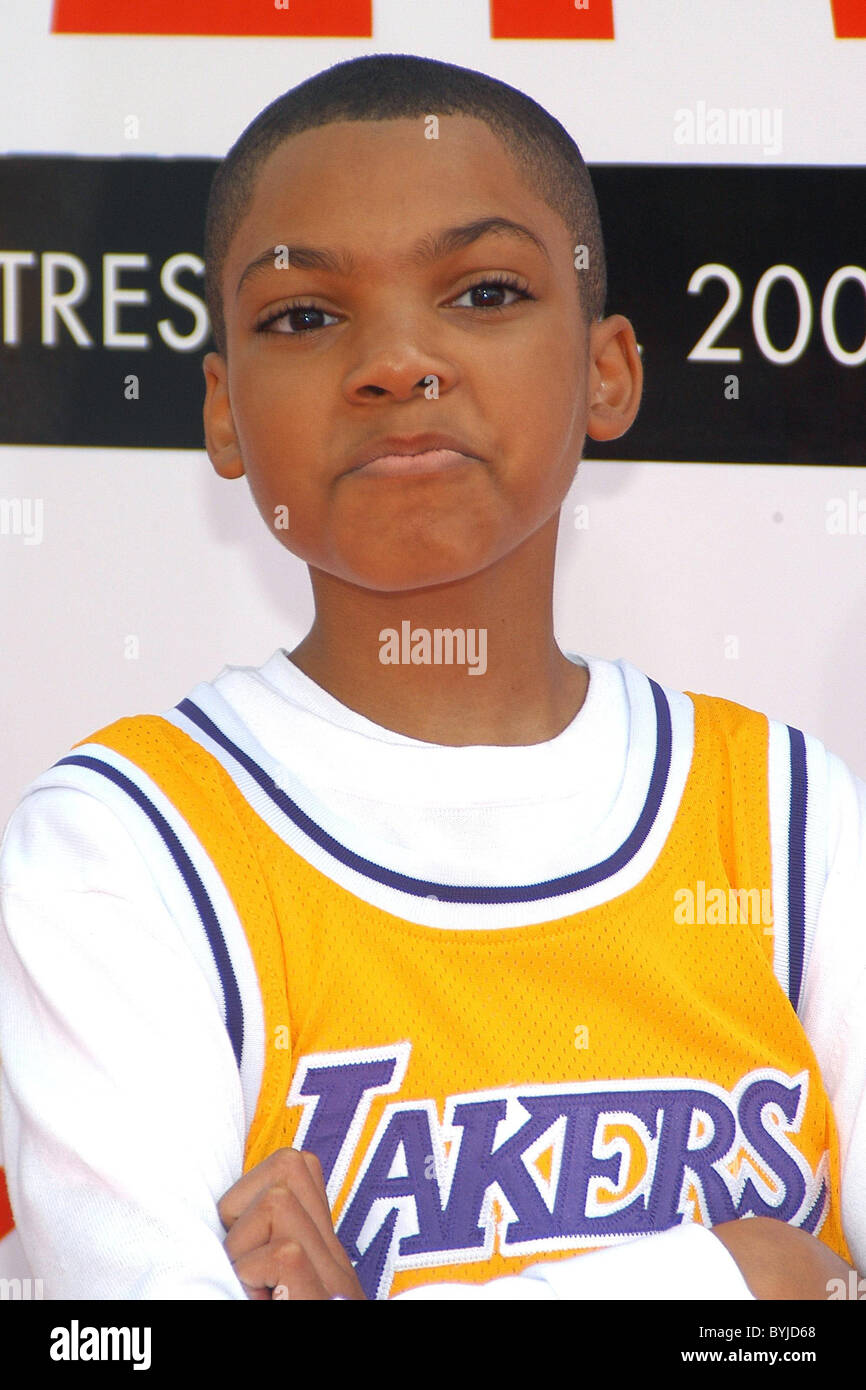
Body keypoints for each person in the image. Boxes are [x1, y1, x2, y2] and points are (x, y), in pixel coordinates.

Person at [0, 52, 863, 1302]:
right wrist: (737, 1276)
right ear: (225, 413)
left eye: (484, 290)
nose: (397, 362)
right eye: (303, 315)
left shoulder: (788, 821)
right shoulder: (122, 847)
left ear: (607, 371)